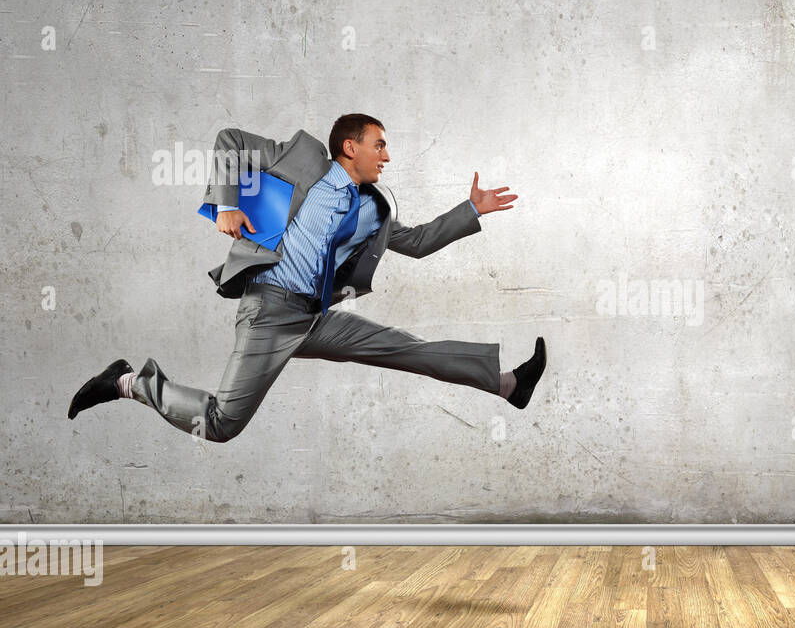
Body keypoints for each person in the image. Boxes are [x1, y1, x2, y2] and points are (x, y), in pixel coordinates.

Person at [68, 113, 546, 443]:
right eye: (379, 145)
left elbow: (417, 242)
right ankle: (126, 383)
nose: (386, 157)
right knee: (220, 424)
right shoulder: (303, 162)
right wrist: (228, 205)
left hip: (313, 317)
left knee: (405, 348)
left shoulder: (373, 210)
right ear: (349, 146)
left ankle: (507, 385)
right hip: (268, 313)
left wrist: (471, 210)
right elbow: (229, 141)